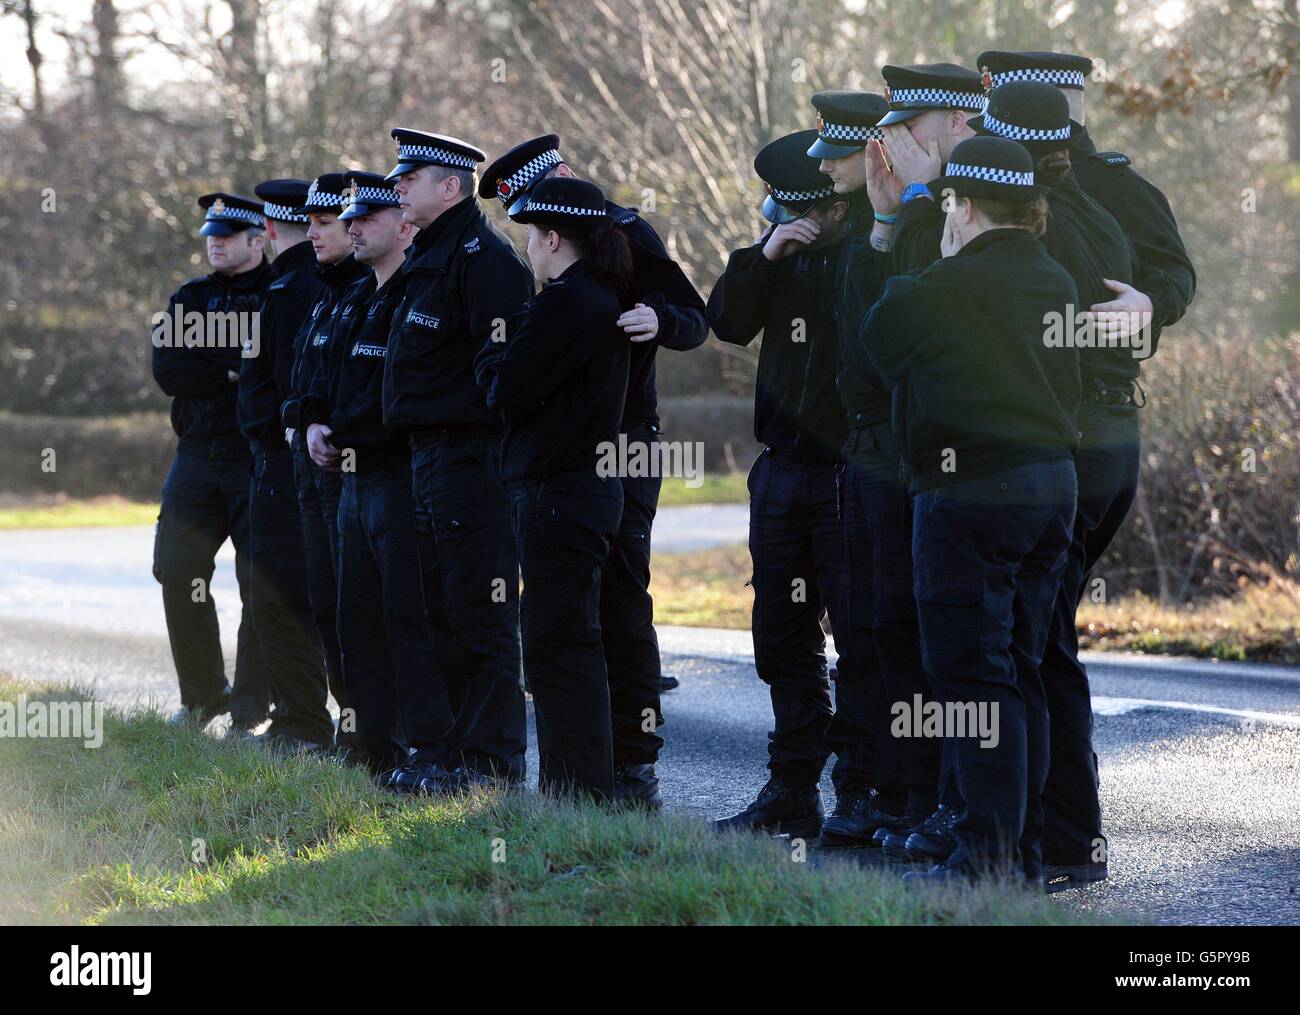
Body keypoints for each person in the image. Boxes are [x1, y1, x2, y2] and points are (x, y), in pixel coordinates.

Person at [978, 51, 1196, 892]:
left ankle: (1053, 840)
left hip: (1082, 425)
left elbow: (1171, 274)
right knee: (1041, 632)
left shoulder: (1114, 190)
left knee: (1036, 638)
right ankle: (1041, 835)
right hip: (1060, 422)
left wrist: (1147, 308)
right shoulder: (1001, 180)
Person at [861, 136, 1081, 886]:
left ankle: (984, 860)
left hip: (969, 497)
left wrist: (932, 256)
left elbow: (878, 339)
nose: (947, 214)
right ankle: (1019, 855)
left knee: (971, 680)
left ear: (967, 206)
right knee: (1020, 670)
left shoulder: (945, 284)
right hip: (1051, 487)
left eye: (949, 202)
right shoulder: (1053, 278)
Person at [479, 133, 710, 805]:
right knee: (572, 609)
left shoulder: (628, 234)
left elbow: (698, 320)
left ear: (567, 180)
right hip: (572, 435)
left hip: (628, 435)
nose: (531, 223)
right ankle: (593, 765)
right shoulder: (555, 257)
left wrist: (657, 317)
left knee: (619, 599)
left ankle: (633, 760)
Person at [706, 131, 859, 839]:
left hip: (846, 473)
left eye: (813, 213)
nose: (803, 224)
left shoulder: (865, 255)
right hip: (782, 471)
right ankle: (793, 789)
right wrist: (766, 254)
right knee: (781, 635)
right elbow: (726, 322)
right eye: (788, 214)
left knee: (861, 638)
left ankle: (866, 794)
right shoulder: (778, 255)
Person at [382, 128, 535, 791]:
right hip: (426, 459)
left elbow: (502, 373)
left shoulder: (483, 258)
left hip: (470, 462)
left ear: (450, 186)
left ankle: (492, 764)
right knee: (438, 611)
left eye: (407, 178)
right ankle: (449, 754)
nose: (395, 188)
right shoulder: (431, 257)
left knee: (480, 612)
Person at [475, 176, 633, 801]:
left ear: (553, 239)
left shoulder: (565, 303)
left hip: (558, 493)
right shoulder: (598, 295)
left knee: (556, 646)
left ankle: (575, 791)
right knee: (569, 641)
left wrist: (491, 359)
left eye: (531, 239)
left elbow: (506, 388)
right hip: (581, 490)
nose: (528, 253)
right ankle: (580, 787)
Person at [812, 90, 941, 847]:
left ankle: (920, 793)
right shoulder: (868, 230)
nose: (837, 167)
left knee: (906, 624)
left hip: (906, 449)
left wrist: (897, 218)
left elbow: (890, 343)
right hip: (863, 449)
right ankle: (890, 790)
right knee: (870, 627)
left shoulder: (920, 219)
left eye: (849, 152)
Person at [300, 171, 454, 780]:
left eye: (365, 218)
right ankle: (370, 747)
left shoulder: (412, 295)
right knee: (354, 619)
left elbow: (404, 396)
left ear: (403, 225)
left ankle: (428, 749)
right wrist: (313, 421)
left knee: (407, 618)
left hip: (395, 477)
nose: (354, 226)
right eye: (352, 218)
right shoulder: (357, 295)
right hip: (350, 480)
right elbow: (325, 380)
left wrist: (350, 432)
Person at [152, 192, 273, 732]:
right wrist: (232, 368)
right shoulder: (190, 297)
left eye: (226, 235)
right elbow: (169, 372)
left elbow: (270, 366)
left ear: (259, 238)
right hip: (197, 455)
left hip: (255, 458)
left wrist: (219, 361)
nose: (215, 242)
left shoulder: (279, 292)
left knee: (261, 582)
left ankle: (251, 707)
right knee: (177, 570)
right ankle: (203, 695)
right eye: (211, 235)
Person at [237, 177, 334, 750]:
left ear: (269, 229)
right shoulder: (299, 283)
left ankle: (302, 722)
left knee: (278, 595)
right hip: (283, 456)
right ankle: (297, 715)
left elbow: (292, 383)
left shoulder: (292, 287)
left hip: (283, 460)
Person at [280, 173, 369, 746]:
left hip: (347, 468)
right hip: (311, 466)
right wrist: (303, 417)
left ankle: (370, 733)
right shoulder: (326, 291)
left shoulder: (365, 290)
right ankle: (349, 725)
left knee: (355, 605)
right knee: (326, 602)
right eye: (309, 224)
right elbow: (299, 386)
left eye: (325, 224)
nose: (312, 234)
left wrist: (321, 422)